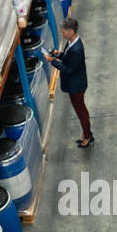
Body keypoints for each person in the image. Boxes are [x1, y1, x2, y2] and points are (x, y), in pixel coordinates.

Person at [44, 17, 94, 148]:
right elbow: (67, 57)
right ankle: (86, 132)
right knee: (81, 109)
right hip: (76, 83)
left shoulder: (77, 49)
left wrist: (52, 61)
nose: (62, 34)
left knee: (81, 111)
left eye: (64, 32)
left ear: (71, 31)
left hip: (76, 85)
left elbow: (69, 69)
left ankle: (88, 136)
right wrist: (58, 54)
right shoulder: (72, 42)